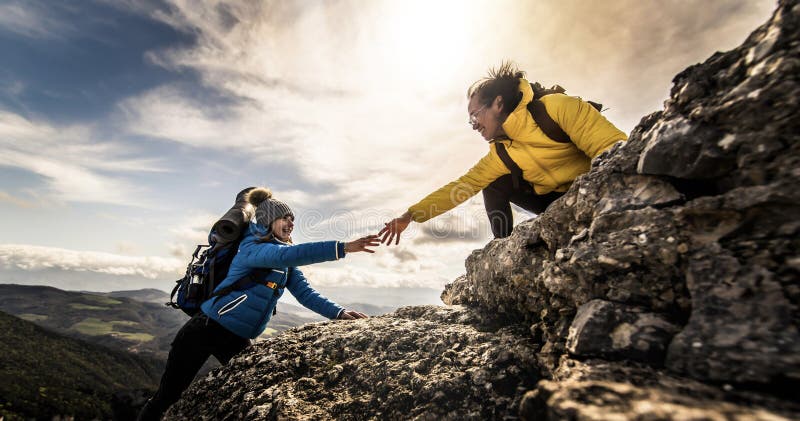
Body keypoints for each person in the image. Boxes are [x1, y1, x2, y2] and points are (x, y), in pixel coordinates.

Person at [137, 187, 379, 420]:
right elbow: (288, 255)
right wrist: (343, 247)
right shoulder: (252, 248)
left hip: (235, 338)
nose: (291, 223)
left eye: (293, 219)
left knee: (254, 389)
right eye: (285, 217)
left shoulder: (283, 256)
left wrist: (339, 312)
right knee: (168, 396)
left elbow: (305, 293)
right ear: (267, 221)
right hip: (205, 329)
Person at [379, 62, 627, 243]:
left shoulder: (557, 109)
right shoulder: (501, 151)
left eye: (475, 115)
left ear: (498, 103)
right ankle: (504, 247)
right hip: (551, 202)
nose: (474, 125)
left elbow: (612, 149)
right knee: (492, 182)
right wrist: (411, 215)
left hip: (591, 190)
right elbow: (463, 186)